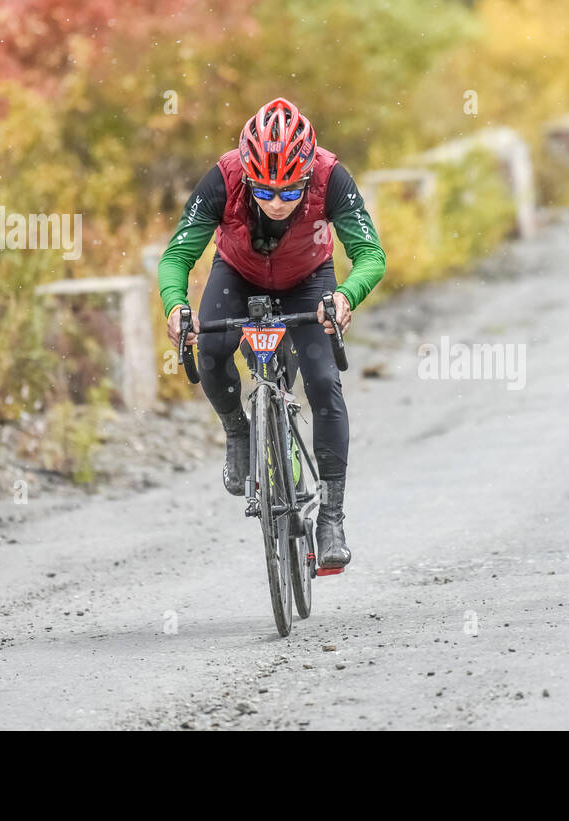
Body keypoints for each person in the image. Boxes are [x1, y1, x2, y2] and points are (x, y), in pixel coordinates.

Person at [158, 97, 385, 568]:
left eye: (290, 191)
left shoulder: (331, 177)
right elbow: (177, 256)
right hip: (237, 274)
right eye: (264, 192)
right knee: (214, 350)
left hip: (309, 280)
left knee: (323, 381)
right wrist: (176, 306)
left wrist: (345, 297)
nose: (277, 203)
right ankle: (238, 432)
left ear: (308, 175)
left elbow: (371, 256)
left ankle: (331, 517)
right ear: (247, 175)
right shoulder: (223, 179)